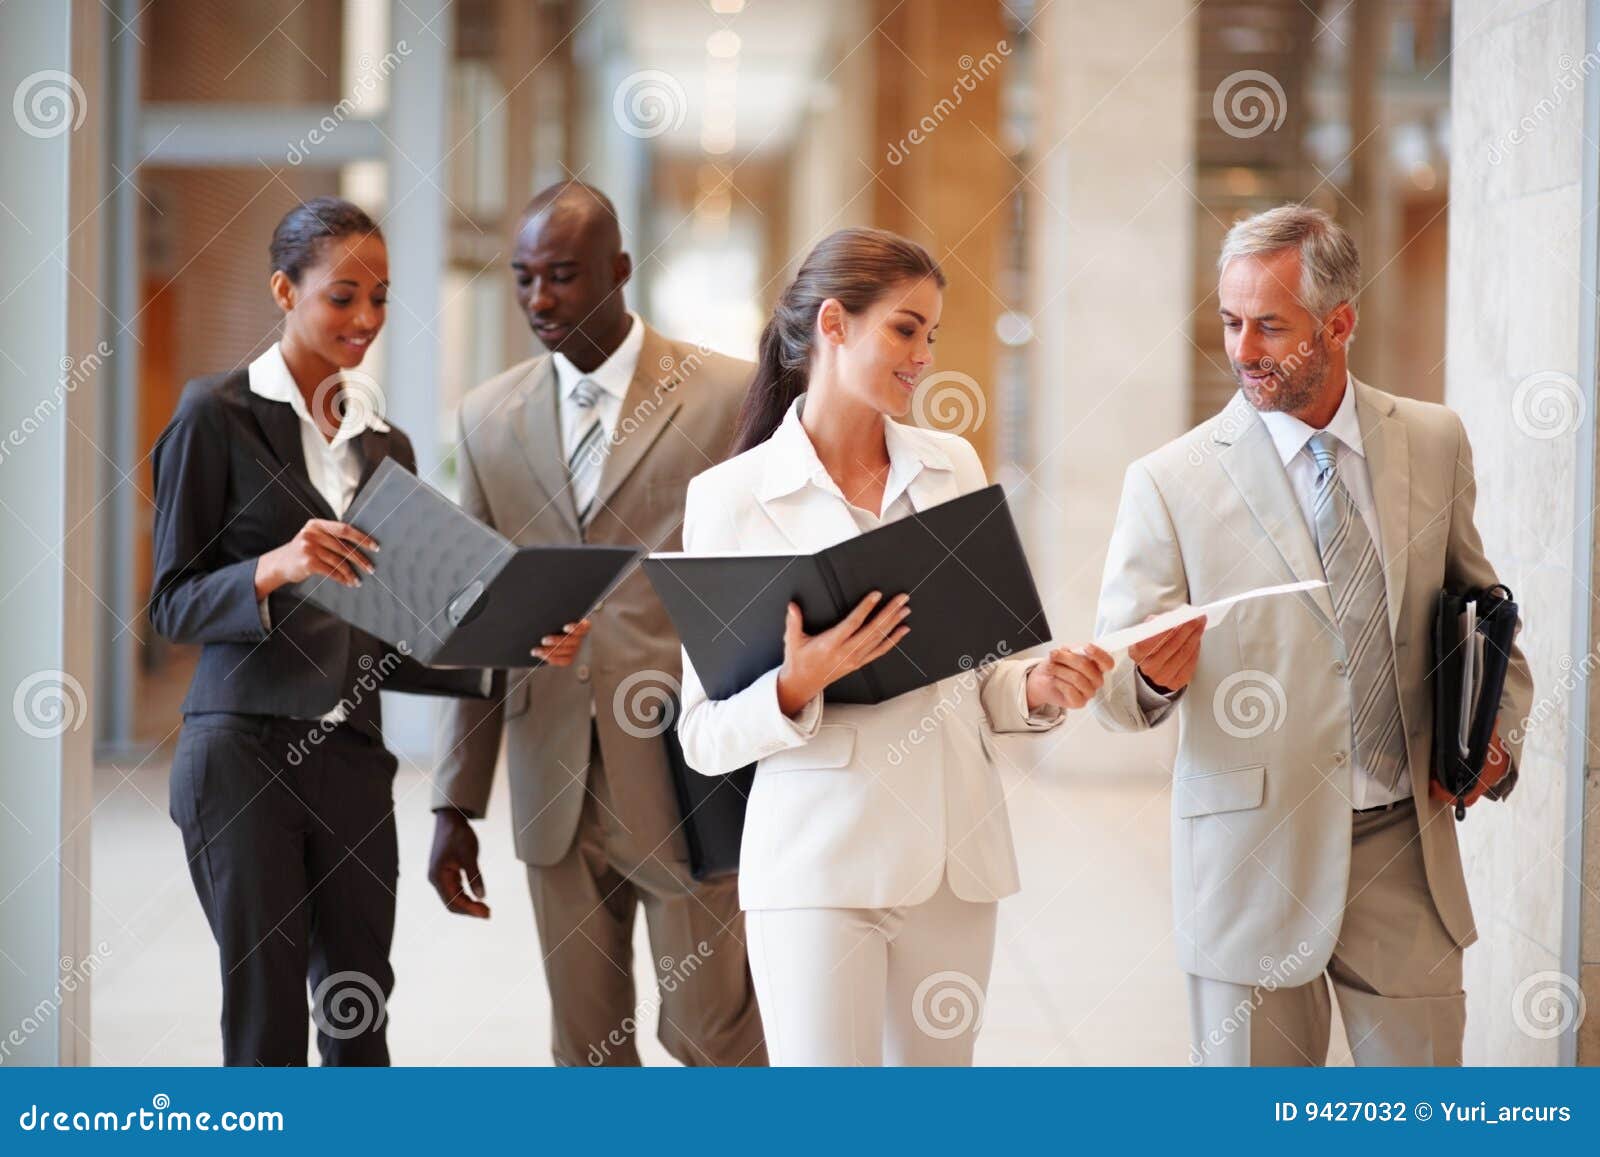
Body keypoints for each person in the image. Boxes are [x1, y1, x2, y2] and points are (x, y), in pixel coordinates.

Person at [1091, 204, 1534, 1066]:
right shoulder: (1169, 481)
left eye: (1270, 325)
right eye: (1229, 322)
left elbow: (1487, 615)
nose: (1244, 350)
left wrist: (1497, 741)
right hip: (1251, 864)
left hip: (1406, 849)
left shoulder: (1434, 442)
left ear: (1340, 323)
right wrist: (1148, 678)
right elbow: (1114, 680)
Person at [150, 198, 582, 1065]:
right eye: (343, 295)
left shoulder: (386, 446)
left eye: (380, 297)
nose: (366, 319)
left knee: (359, 1014)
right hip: (242, 751)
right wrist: (277, 565)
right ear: (284, 289)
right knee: (266, 1021)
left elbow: (396, 633)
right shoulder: (214, 415)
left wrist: (511, 643)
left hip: (349, 758)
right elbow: (170, 604)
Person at [674, 226, 1113, 1066]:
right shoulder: (730, 498)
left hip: (954, 863)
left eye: (932, 336)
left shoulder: (950, 465)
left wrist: (1039, 688)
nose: (923, 356)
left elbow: (985, 675)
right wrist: (796, 683)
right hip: (817, 868)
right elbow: (702, 734)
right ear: (834, 325)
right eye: (905, 330)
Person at [429, 181, 765, 1067]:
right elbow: (478, 612)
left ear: (619, 271)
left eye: (564, 276)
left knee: (716, 1034)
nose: (540, 299)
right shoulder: (488, 418)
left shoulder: (725, 395)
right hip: (553, 782)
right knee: (584, 1048)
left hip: (689, 770)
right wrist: (455, 800)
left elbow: (766, 583)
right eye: (524, 278)